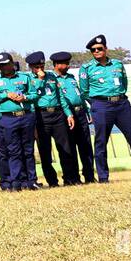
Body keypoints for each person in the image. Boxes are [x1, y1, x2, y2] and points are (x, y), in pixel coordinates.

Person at [78, 34, 131, 182]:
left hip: (121, 105)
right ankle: (103, 177)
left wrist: (118, 98)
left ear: (106, 49)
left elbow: (124, 84)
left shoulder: (118, 64)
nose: (96, 51)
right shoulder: (86, 68)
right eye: (93, 50)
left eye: (99, 48)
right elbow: (84, 91)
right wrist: (96, 104)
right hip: (101, 106)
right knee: (101, 142)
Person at [0, 52, 37, 191]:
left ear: (12, 63)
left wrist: (24, 97)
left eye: (6, 64)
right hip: (7, 118)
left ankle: (31, 181)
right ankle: (16, 182)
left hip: (25, 116)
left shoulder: (25, 77)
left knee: (28, 150)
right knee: (13, 151)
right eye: (0, 65)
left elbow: (35, 94)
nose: (3, 67)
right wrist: (5, 95)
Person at [26, 50, 79, 187]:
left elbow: (60, 96)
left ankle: (70, 178)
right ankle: (52, 181)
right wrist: (40, 80)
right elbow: (33, 96)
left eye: (42, 66)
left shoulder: (52, 77)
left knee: (65, 148)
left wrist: (68, 114)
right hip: (41, 116)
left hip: (57, 114)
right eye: (37, 67)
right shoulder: (28, 79)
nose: (40, 69)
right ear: (31, 67)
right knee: (45, 151)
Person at [51, 51, 95, 184]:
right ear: (57, 64)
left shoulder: (70, 78)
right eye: (65, 64)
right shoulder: (52, 79)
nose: (68, 66)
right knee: (70, 147)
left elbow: (79, 95)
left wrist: (87, 111)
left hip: (80, 112)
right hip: (66, 115)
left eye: (68, 63)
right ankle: (73, 178)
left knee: (86, 146)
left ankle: (89, 176)